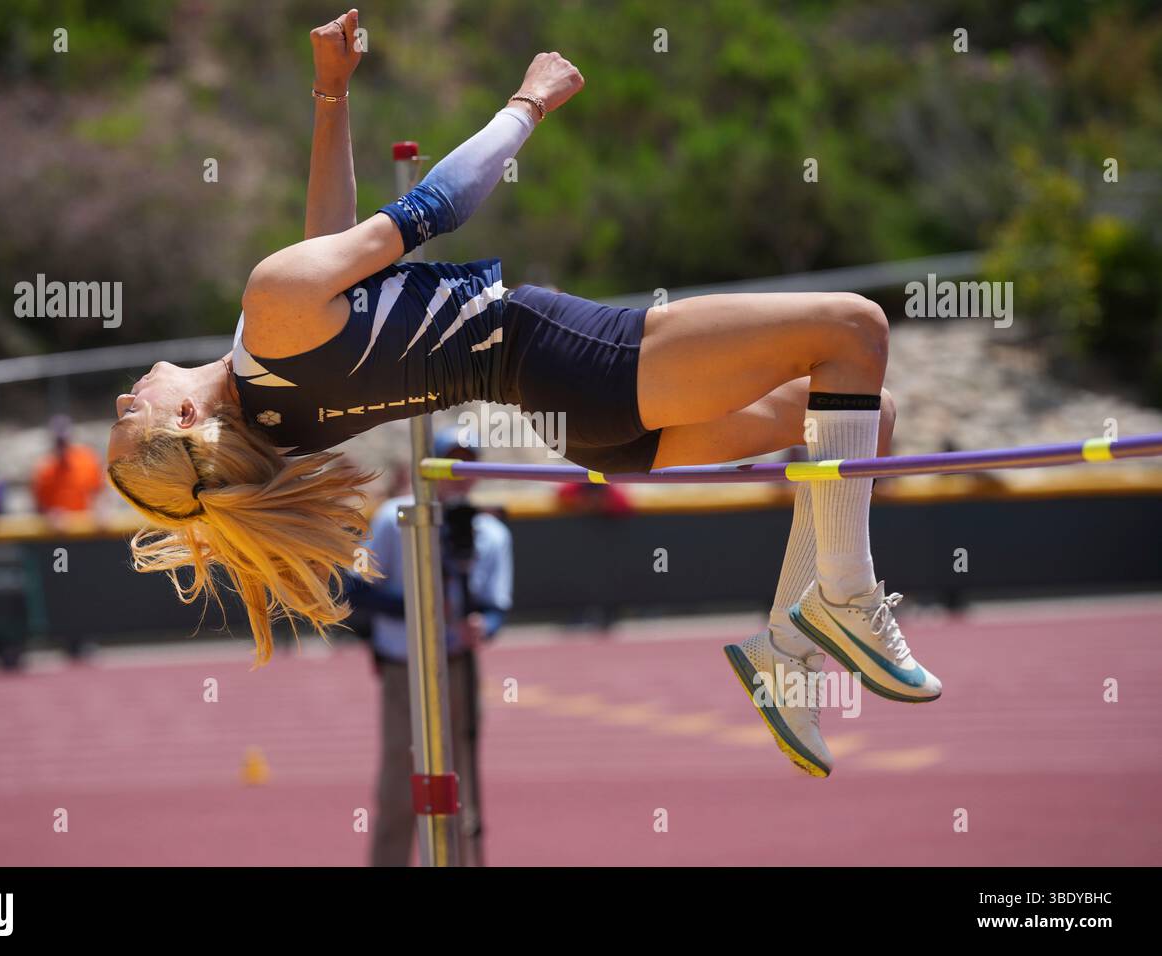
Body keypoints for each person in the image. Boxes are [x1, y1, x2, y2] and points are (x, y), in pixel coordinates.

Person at [105, 9, 938, 778]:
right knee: (855, 329)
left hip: (575, 423)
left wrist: (332, 95)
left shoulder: (275, 424)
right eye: (128, 414)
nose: (123, 397)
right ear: (185, 417)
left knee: (864, 417)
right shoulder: (270, 315)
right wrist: (527, 103)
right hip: (563, 356)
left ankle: (787, 648)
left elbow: (327, 251)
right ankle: (849, 597)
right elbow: (436, 207)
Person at [349, 428, 511, 866]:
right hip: (405, 669)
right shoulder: (391, 518)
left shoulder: (491, 533)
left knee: (460, 785)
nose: (459, 476)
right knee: (400, 785)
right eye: (451, 463)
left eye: (467, 464)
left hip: (457, 667)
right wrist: (418, 609)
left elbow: (495, 607)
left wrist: (484, 625)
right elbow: (355, 589)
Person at [32, 417, 105, 515]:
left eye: (64, 442)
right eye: (59, 442)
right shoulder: (44, 468)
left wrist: (100, 508)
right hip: (57, 528)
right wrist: (50, 514)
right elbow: (38, 505)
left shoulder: (87, 460)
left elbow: (100, 492)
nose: (62, 446)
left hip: (86, 523)